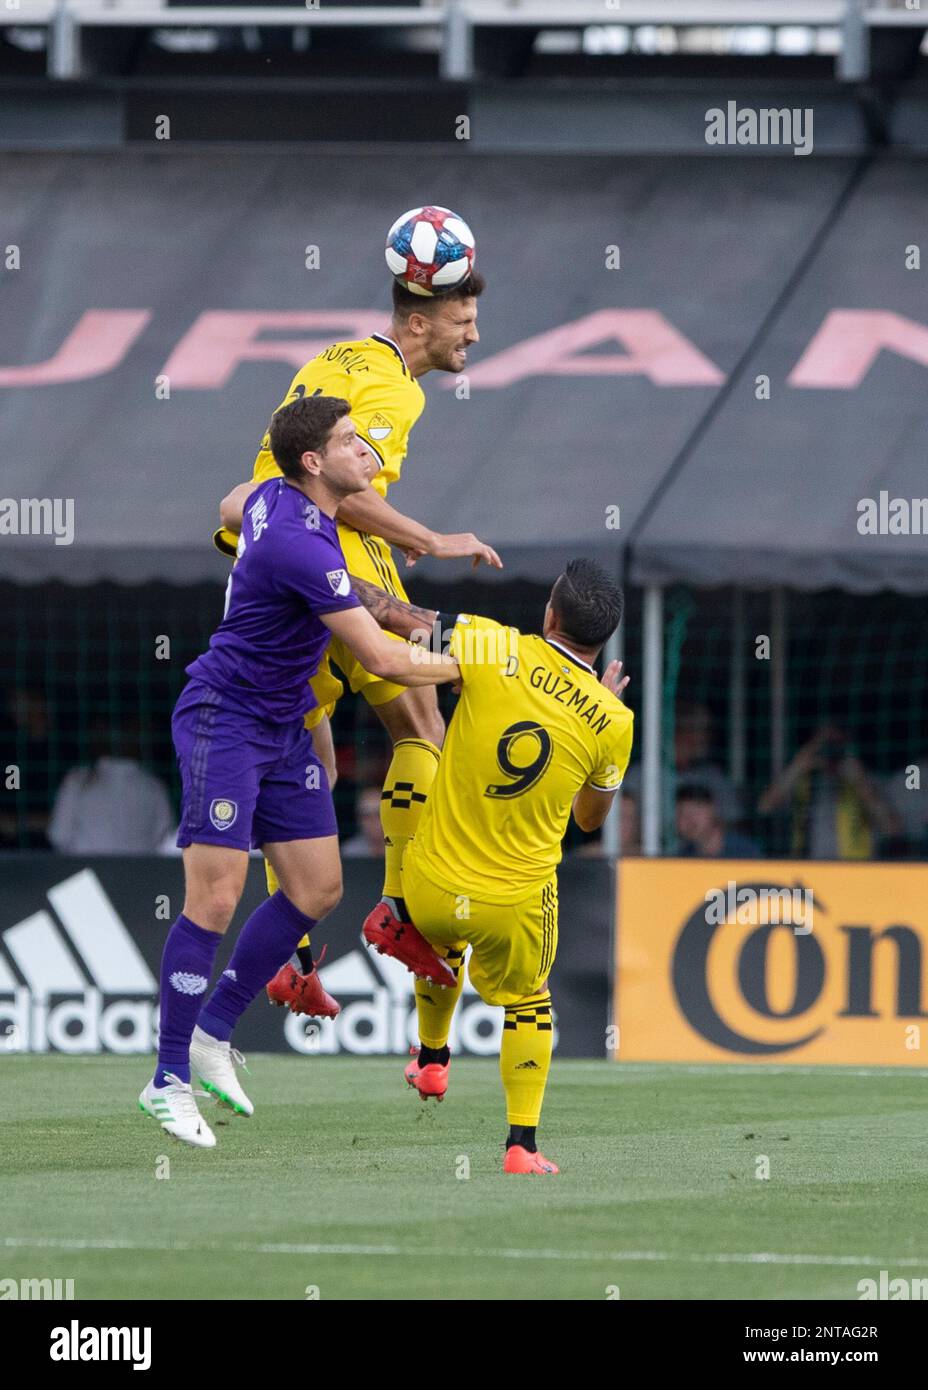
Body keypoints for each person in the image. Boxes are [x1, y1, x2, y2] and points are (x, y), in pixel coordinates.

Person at [138, 396, 459, 1149]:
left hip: (285, 724)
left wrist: (423, 622)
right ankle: (167, 1078)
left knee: (318, 888)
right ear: (313, 462)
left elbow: (233, 501)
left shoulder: (275, 497)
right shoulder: (300, 544)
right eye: (352, 443)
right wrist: (474, 662)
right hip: (226, 717)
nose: (368, 454)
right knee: (213, 899)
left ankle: (216, 1030)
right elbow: (379, 660)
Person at [214, 268, 501, 1011]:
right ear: (417, 324)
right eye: (462, 319)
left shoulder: (334, 360)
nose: (473, 333)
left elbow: (251, 486)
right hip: (329, 551)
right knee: (421, 723)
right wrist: (431, 538)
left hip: (265, 558)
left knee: (312, 759)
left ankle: (294, 958)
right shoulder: (396, 389)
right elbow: (348, 492)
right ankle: (400, 910)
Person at [350, 559, 633, 1175]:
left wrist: (312, 570)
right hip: (513, 906)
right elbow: (590, 821)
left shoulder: (491, 643)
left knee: (443, 931)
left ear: (549, 615)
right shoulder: (614, 722)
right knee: (529, 999)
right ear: (601, 641)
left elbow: (394, 617)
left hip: (431, 887)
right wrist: (597, 718)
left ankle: (430, 1057)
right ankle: (521, 1148)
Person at [757, 725, 900, 860]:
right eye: (826, 745)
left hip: (854, 870)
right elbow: (765, 807)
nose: (831, 752)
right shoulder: (802, 783)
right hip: (807, 871)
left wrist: (859, 781)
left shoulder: (867, 780)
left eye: (837, 745)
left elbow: (893, 829)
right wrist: (800, 764)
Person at [675, 785, 760, 858]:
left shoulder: (744, 853)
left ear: (713, 810)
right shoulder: (683, 858)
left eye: (696, 811)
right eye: (681, 814)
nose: (690, 820)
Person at [340, 786, 386, 858]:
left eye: (378, 814)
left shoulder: (403, 850)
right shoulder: (349, 853)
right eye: (367, 815)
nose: (373, 820)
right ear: (359, 819)